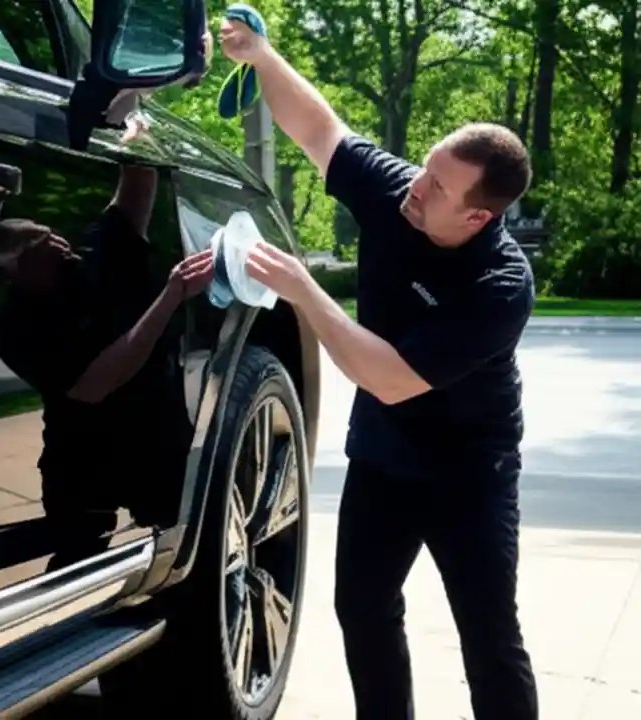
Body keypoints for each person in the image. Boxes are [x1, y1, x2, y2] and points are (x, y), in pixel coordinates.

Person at [218, 15, 539, 720]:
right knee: (362, 607)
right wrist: (262, 57)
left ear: (478, 218)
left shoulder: (500, 286)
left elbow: (390, 378)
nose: (416, 186)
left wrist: (303, 289)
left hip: (469, 472)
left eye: (438, 187)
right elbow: (318, 130)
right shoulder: (400, 194)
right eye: (425, 167)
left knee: (488, 636)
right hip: (385, 457)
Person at [0, 165, 211, 569]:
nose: (54, 241)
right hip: (83, 458)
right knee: (75, 555)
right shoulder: (15, 330)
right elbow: (98, 383)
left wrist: (128, 133)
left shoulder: (97, 255)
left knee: (194, 543)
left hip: (154, 436)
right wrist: (171, 296)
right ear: (15, 274)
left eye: (46, 231)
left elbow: (137, 186)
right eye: (35, 245)